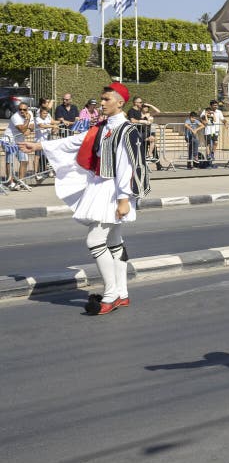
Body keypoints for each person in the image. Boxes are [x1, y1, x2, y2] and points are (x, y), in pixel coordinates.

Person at [18, 82, 149, 315]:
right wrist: (39, 145)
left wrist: (123, 199)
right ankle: (122, 292)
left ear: (120, 102)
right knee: (114, 242)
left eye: (107, 99)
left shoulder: (125, 130)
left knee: (95, 241)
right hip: (102, 186)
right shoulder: (103, 126)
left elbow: (125, 167)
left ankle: (110, 295)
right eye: (102, 98)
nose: (102, 102)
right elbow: (74, 142)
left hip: (113, 191)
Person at [3, 102, 34, 189]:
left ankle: (21, 181)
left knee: (24, 160)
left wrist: (29, 130)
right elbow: (22, 129)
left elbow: (32, 126)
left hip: (20, 140)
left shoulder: (30, 113)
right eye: (20, 109)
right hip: (9, 140)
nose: (22, 111)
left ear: (27, 109)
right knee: (10, 162)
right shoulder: (15, 117)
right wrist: (27, 120)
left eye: (24, 109)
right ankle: (10, 182)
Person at [33, 105, 58, 182]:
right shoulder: (37, 118)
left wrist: (62, 122)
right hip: (38, 141)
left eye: (46, 113)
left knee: (48, 156)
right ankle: (35, 173)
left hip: (46, 142)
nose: (45, 114)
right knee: (37, 157)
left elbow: (54, 122)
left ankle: (48, 171)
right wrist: (53, 125)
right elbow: (42, 126)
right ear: (40, 113)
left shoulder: (47, 118)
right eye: (44, 113)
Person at [201, 100, 224, 165]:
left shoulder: (218, 112)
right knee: (208, 144)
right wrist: (205, 117)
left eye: (216, 105)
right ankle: (208, 157)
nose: (215, 106)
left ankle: (212, 153)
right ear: (210, 105)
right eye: (214, 105)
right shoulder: (205, 111)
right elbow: (202, 119)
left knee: (215, 143)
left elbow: (221, 119)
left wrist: (225, 122)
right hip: (207, 131)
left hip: (215, 131)